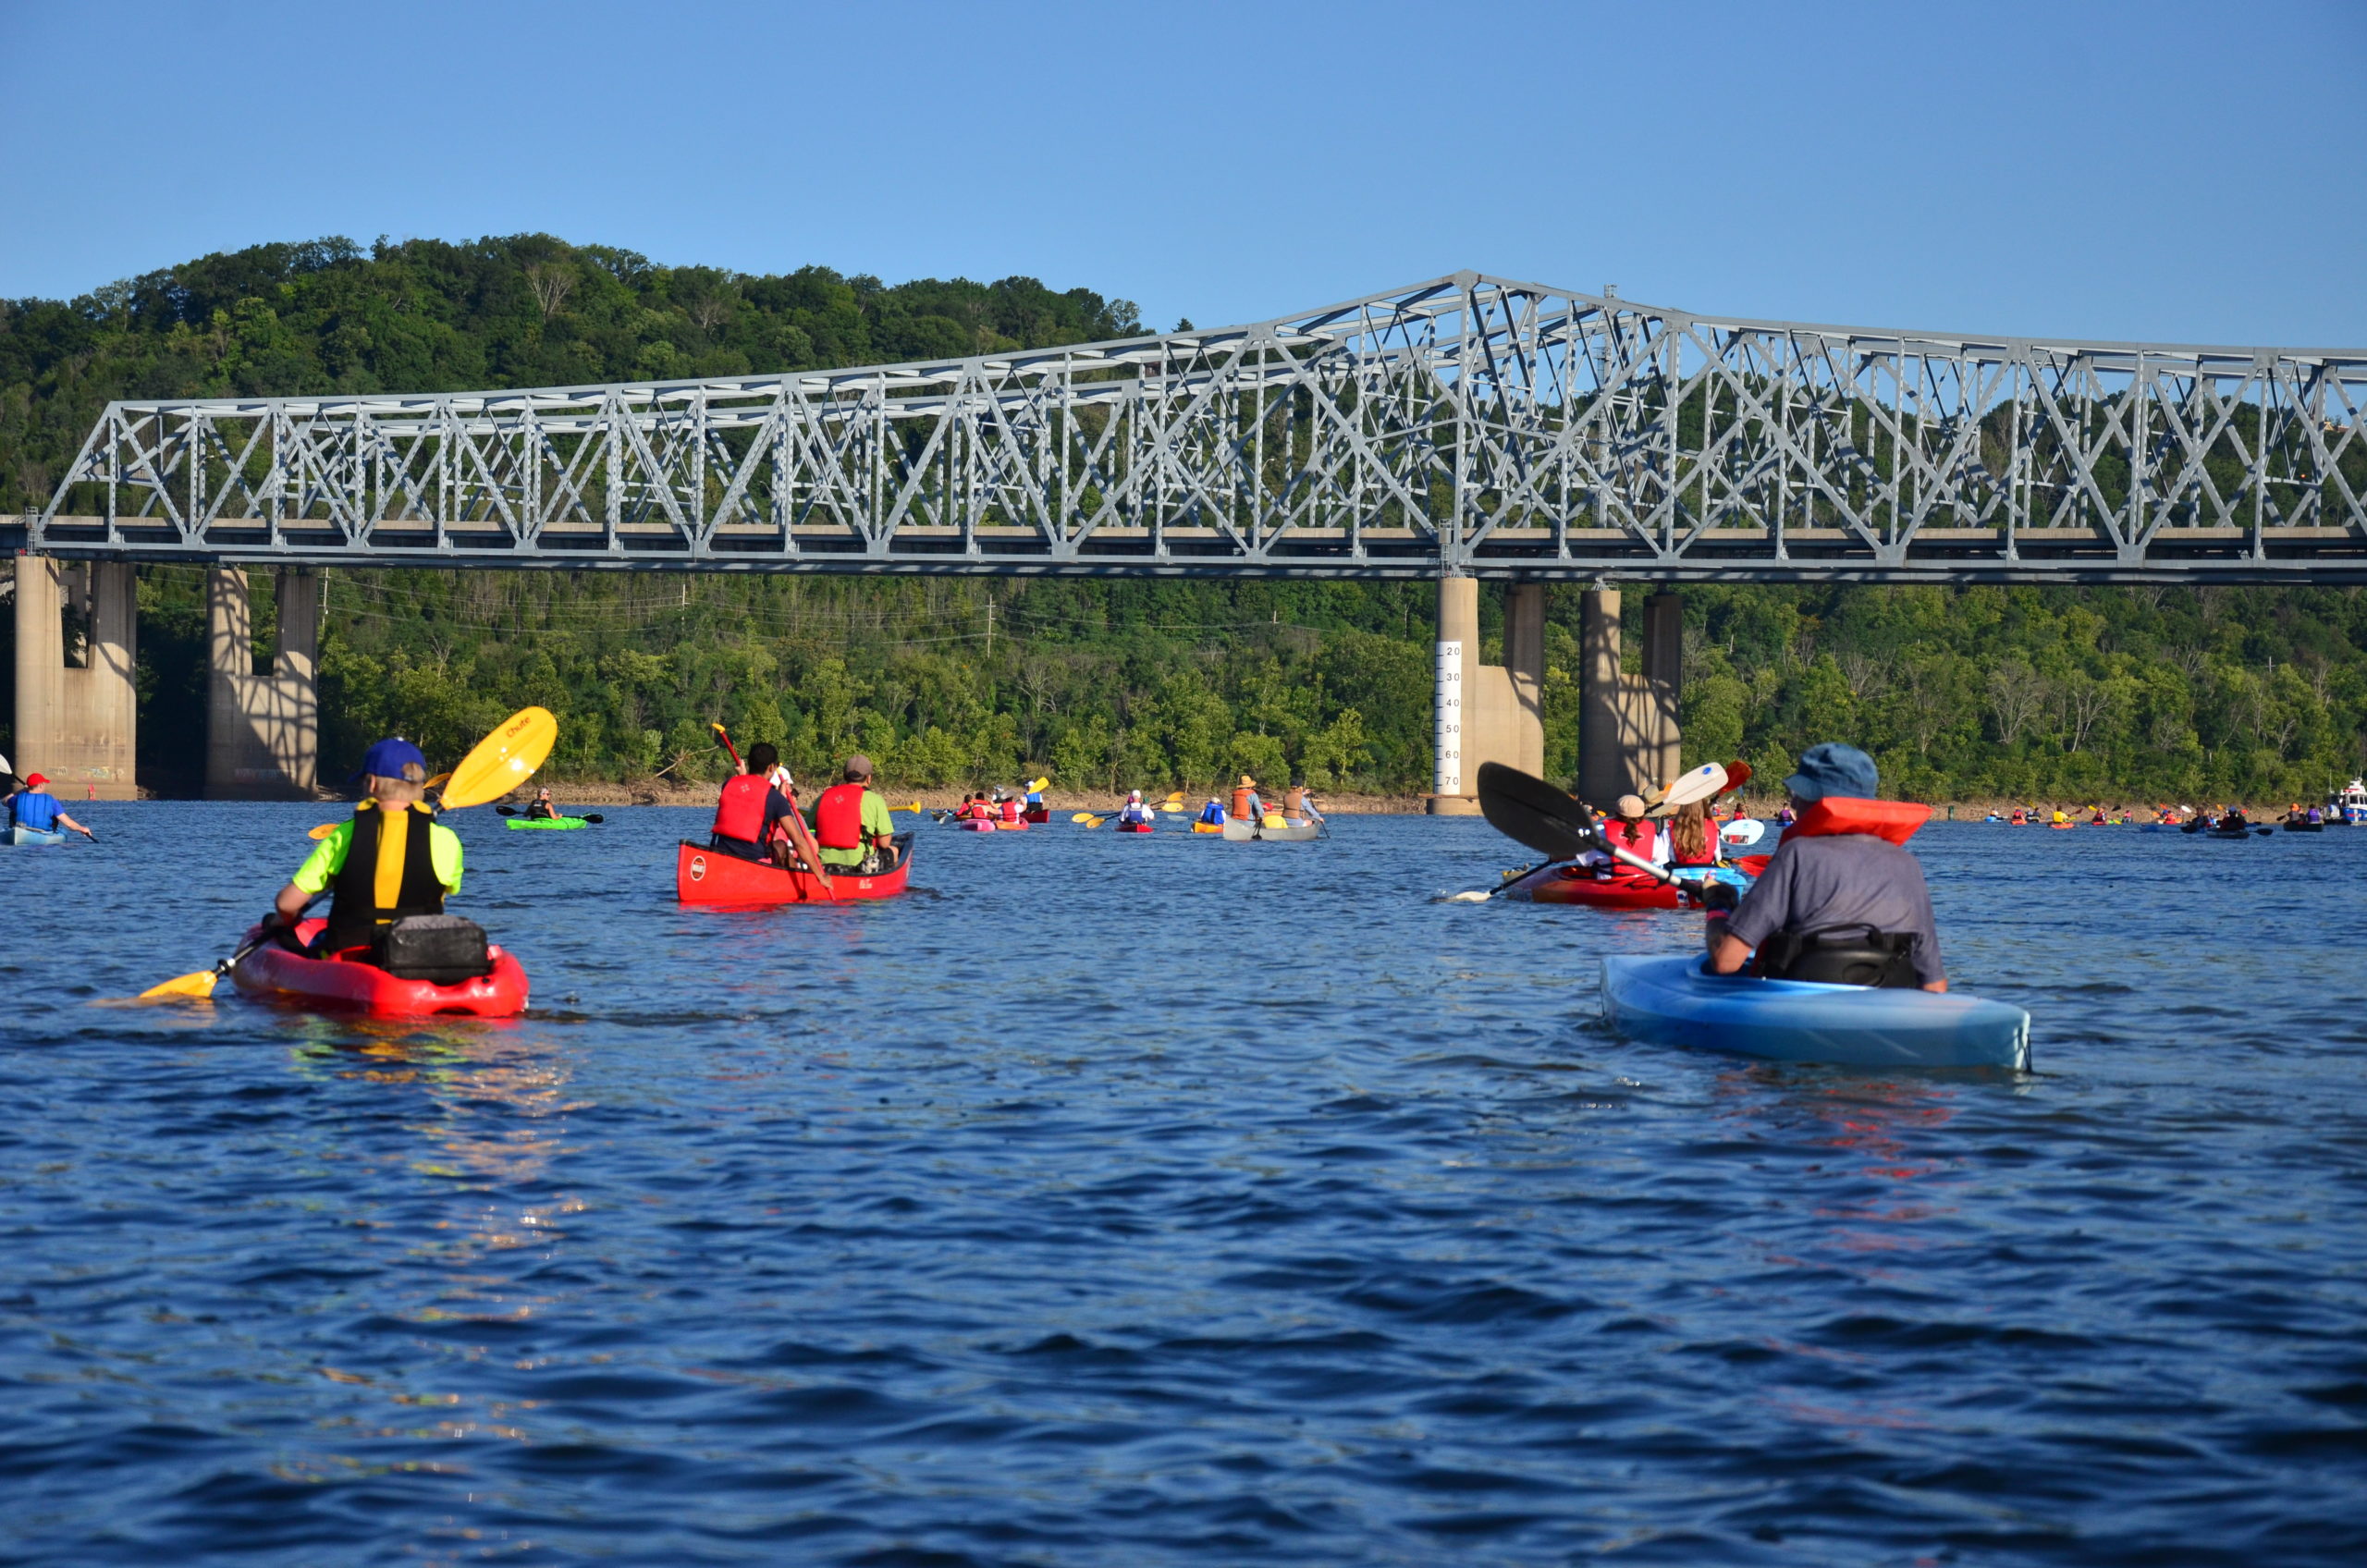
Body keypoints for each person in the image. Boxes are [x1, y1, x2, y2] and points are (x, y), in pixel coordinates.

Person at [1708, 742, 1945, 993]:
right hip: (1887, 1010)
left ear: (1817, 800)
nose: (1794, 803)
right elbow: (1935, 986)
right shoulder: (1907, 865)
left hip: (1797, 1009)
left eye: (1799, 794)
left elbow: (1726, 961)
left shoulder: (1796, 855)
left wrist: (1717, 904)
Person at [271, 739, 462, 956]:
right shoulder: (446, 840)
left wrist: (286, 920)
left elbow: (286, 904)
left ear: (371, 784)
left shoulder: (344, 835)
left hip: (350, 957)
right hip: (419, 957)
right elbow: (447, 889)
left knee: (281, 933)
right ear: (419, 786)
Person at [709, 741, 800, 864]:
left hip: (722, 853)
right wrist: (819, 874)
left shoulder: (728, 785)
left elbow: (747, 794)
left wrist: (742, 776)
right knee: (782, 846)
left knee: (781, 846)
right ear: (771, 767)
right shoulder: (775, 798)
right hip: (755, 859)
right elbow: (800, 842)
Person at [810, 754, 897, 873]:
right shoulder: (876, 800)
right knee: (894, 851)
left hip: (824, 866)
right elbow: (884, 843)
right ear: (869, 778)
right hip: (860, 866)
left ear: (844, 776)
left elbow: (804, 830)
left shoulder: (823, 797)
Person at [5, 772, 94, 839]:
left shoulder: (18, 798)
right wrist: (82, 828)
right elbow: (69, 824)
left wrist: (21, 791)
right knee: (54, 817)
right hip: (43, 833)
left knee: (13, 811)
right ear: (41, 785)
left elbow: (4, 801)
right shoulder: (51, 801)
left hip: (20, 830)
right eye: (44, 784)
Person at [1664, 799, 1718, 869]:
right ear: (1702, 807)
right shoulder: (1713, 826)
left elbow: (1662, 859)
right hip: (1707, 871)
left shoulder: (1670, 830)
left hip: (1678, 870)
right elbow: (1718, 857)